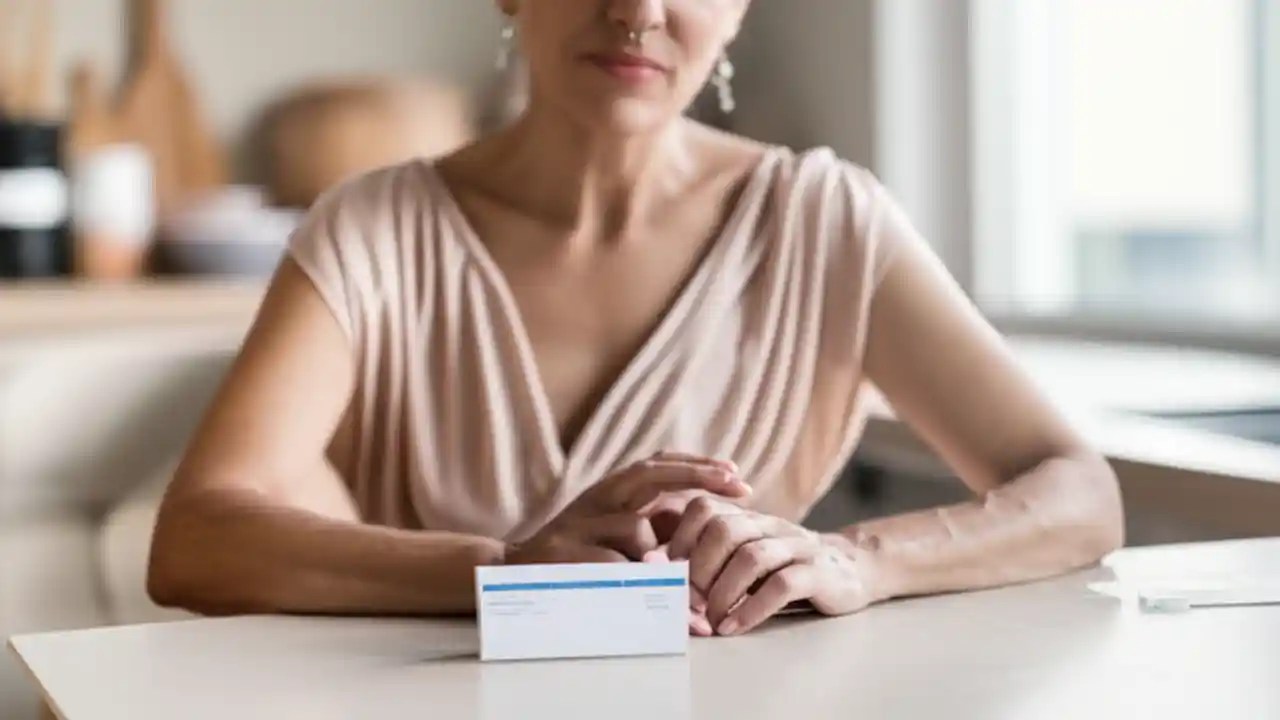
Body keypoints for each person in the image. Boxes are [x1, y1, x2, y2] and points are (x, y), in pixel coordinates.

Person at [148, 0, 1123, 638]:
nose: (638, 12)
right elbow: (194, 541)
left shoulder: (824, 222)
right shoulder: (374, 229)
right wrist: (504, 569)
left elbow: (1078, 491)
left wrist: (855, 559)